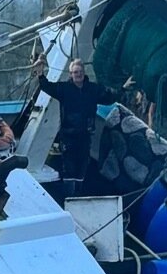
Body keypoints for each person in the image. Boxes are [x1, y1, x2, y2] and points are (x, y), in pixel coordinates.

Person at [32, 56, 130, 187]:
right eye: (75, 72)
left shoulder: (93, 89)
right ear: (71, 74)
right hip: (68, 137)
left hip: (85, 136)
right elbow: (47, 86)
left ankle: (78, 191)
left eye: (80, 72)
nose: (79, 75)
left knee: (82, 167)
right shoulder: (64, 89)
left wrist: (123, 88)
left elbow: (109, 97)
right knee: (69, 168)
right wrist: (40, 74)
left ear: (84, 73)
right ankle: (68, 194)